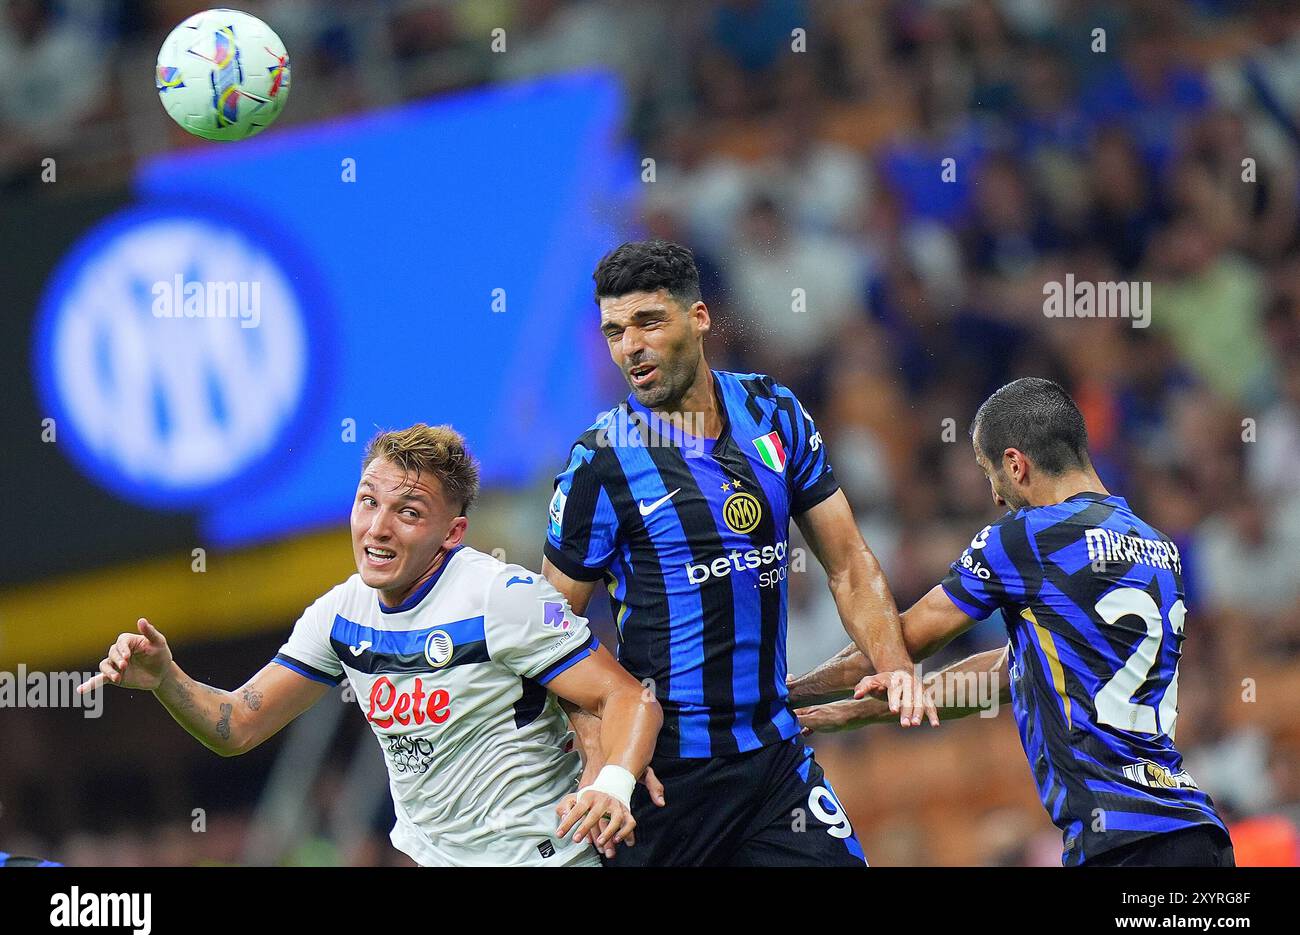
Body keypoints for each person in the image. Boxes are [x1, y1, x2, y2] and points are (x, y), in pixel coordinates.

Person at [79, 424, 662, 867]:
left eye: (408, 512)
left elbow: (631, 700)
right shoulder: (340, 614)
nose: (378, 527)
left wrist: (614, 783)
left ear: (451, 534)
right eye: (368, 502)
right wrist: (166, 679)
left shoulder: (501, 598)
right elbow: (237, 725)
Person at [542, 239, 933, 866]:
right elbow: (550, 627)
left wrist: (891, 662)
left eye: (648, 322)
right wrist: (597, 740)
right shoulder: (600, 463)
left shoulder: (773, 412)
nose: (630, 347)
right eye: (615, 331)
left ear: (698, 320)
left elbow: (848, 562)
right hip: (663, 775)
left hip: (775, 760)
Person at [790, 378, 1234, 867]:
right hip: (1196, 835)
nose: (997, 496)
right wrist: (864, 711)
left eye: (989, 473)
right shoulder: (1158, 548)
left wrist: (790, 690)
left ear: (1015, 464)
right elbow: (1012, 674)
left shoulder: (1027, 538)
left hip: (1125, 844)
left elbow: (898, 643)